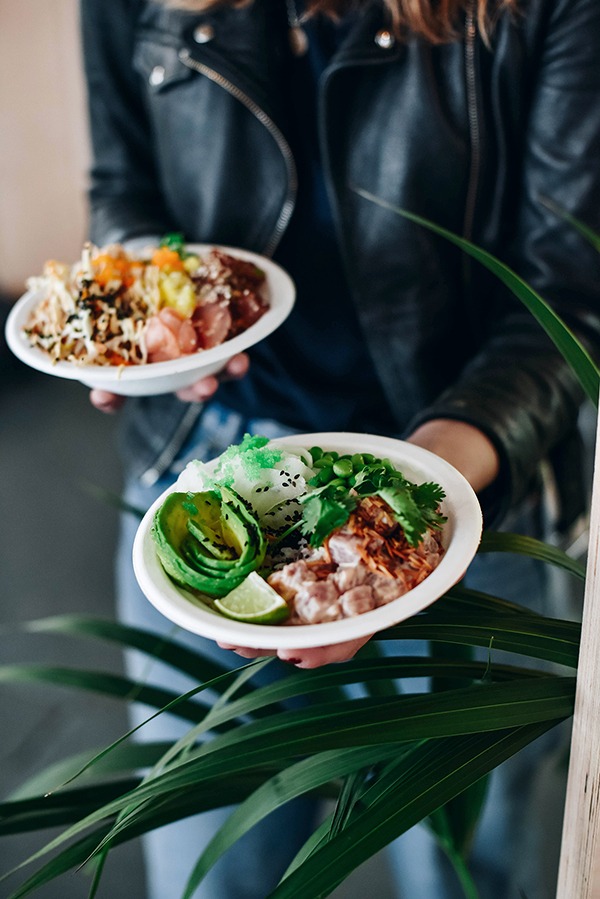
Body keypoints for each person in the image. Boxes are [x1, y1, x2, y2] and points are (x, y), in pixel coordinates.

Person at [80, 0, 600, 896]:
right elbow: (124, 180)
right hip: (200, 480)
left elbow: (569, 295)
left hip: (464, 503)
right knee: (212, 876)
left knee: (466, 874)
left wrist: (425, 486)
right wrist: (148, 317)